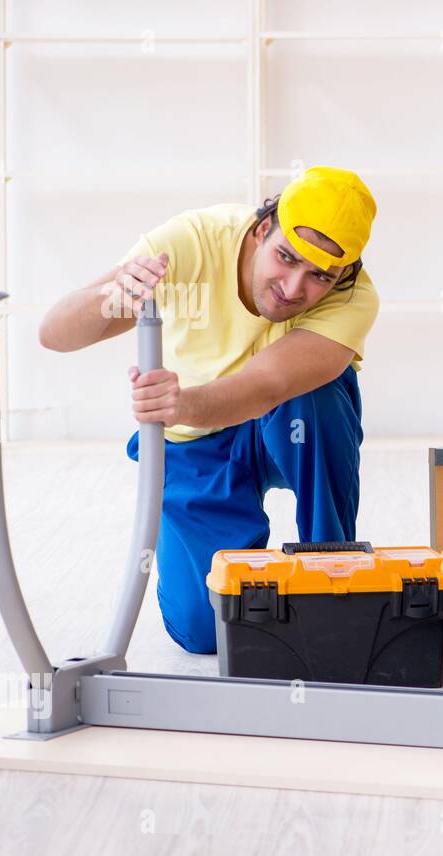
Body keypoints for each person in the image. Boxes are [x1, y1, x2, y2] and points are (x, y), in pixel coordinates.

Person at [39, 167, 380, 654]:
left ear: (343, 276)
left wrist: (183, 402)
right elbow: (53, 334)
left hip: (281, 421)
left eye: (319, 276)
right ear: (263, 228)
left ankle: (331, 575)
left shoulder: (354, 298)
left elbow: (268, 385)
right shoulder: (193, 242)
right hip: (195, 444)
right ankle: (230, 575)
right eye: (286, 257)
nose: (292, 287)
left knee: (317, 395)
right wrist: (112, 295)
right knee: (210, 629)